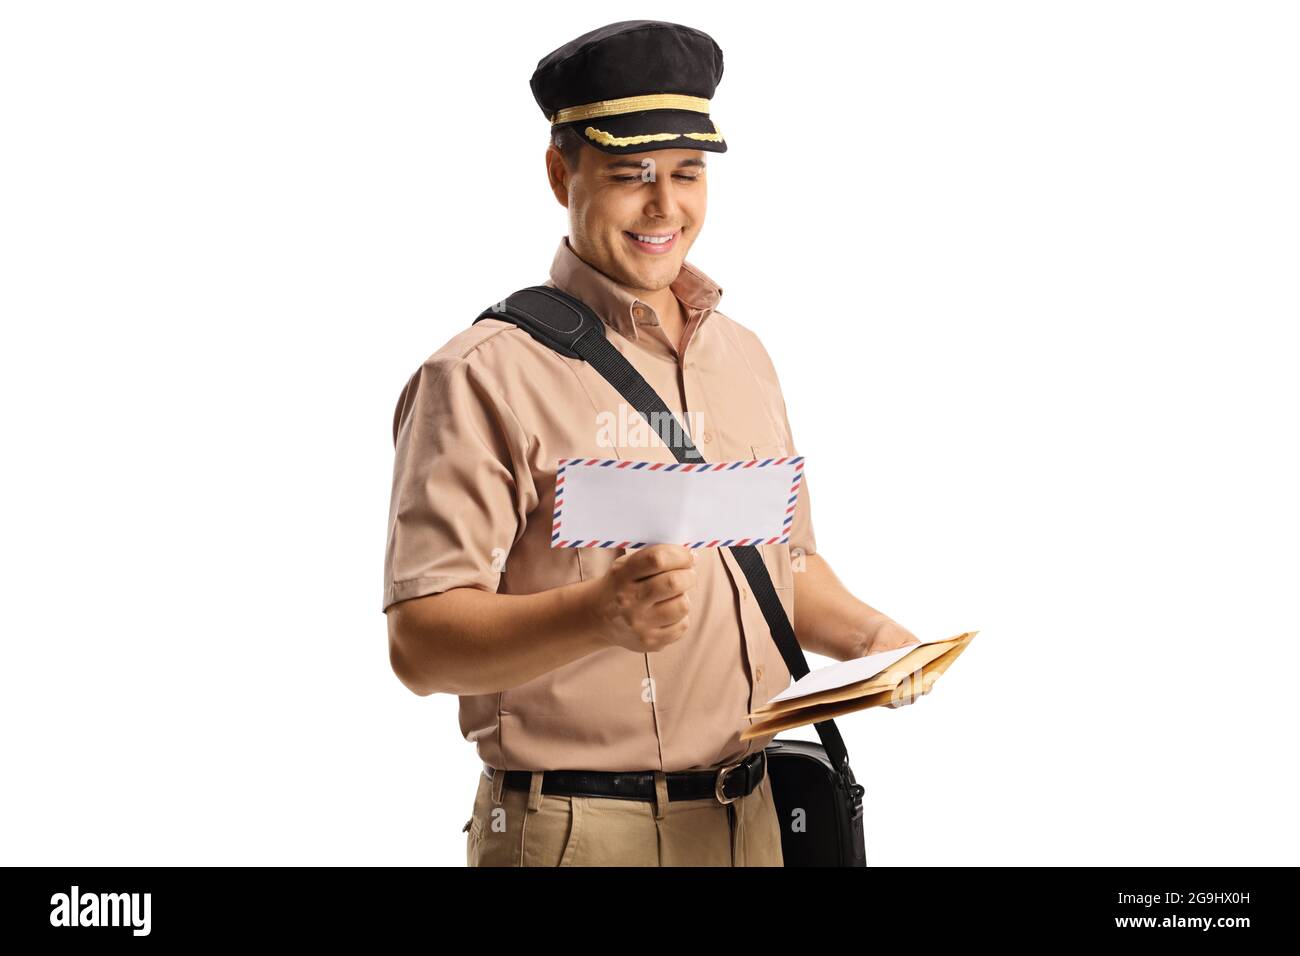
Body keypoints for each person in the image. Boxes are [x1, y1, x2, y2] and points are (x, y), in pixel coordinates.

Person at [382, 19, 920, 867]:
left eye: (687, 173)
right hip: (577, 835)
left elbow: (786, 565)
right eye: (632, 175)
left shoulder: (743, 356)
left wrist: (875, 640)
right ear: (561, 173)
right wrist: (599, 614)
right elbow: (420, 643)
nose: (666, 206)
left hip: (751, 819)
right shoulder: (481, 375)